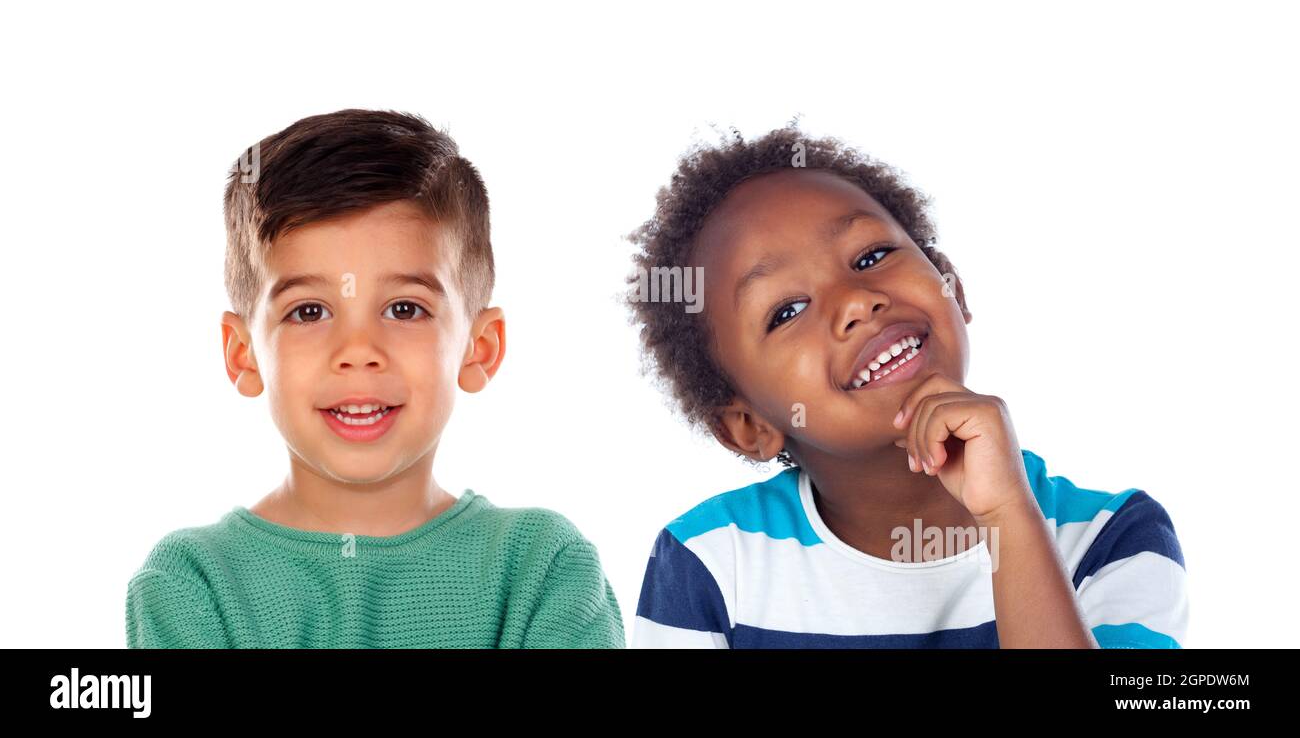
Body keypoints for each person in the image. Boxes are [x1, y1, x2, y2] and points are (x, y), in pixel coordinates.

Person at [624, 126, 1187, 648]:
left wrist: (1007, 517)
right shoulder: (709, 566)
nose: (855, 301)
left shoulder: (1113, 540)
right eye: (788, 310)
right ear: (749, 426)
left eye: (871, 256)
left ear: (953, 287)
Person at [126, 109, 623, 648]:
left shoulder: (541, 569)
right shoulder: (192, 585)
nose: (358, 352)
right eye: (309, 312)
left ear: (479, 348)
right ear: (242, 354)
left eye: (405, 309)